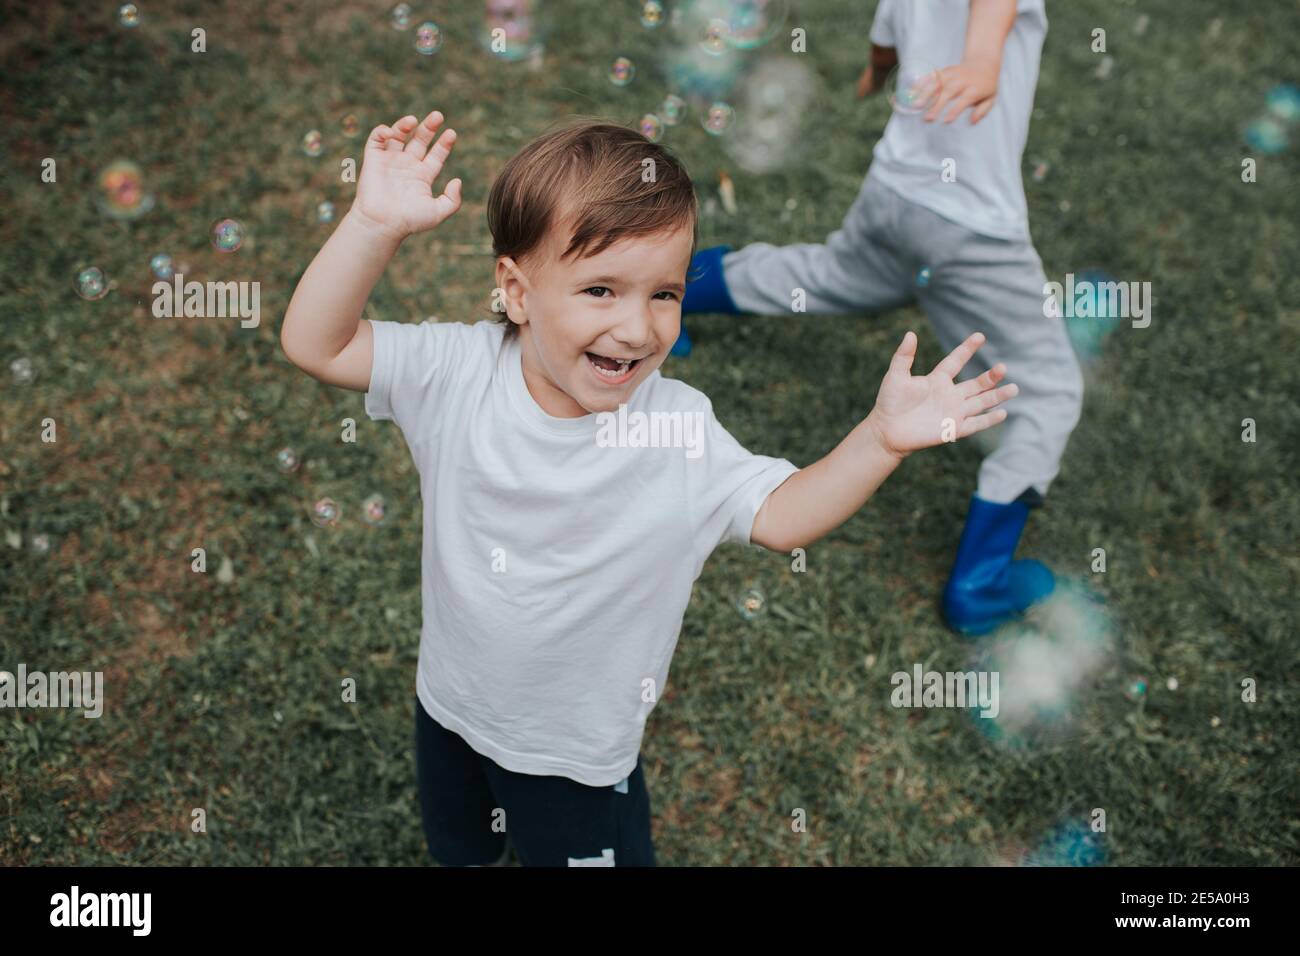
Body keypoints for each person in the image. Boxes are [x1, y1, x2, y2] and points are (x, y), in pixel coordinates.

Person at [280, 112, 1017, 865]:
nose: (637, 328)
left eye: (664, 293)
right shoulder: (454, 373)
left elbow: (783, 515)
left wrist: (880, 439)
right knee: (463, 851)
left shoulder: (678, 428)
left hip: (575, 756)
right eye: (601, 289)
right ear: (518, 290)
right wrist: (373, 224)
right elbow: (317, 342)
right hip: (448, 707)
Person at [675, 0, 1083, 636]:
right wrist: (980, 60)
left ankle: (674, 292)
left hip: (895, 193)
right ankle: (980, 584)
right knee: (1051, 391)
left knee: (826, 277)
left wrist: (875, 73)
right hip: (968, 225)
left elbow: (887, 43)